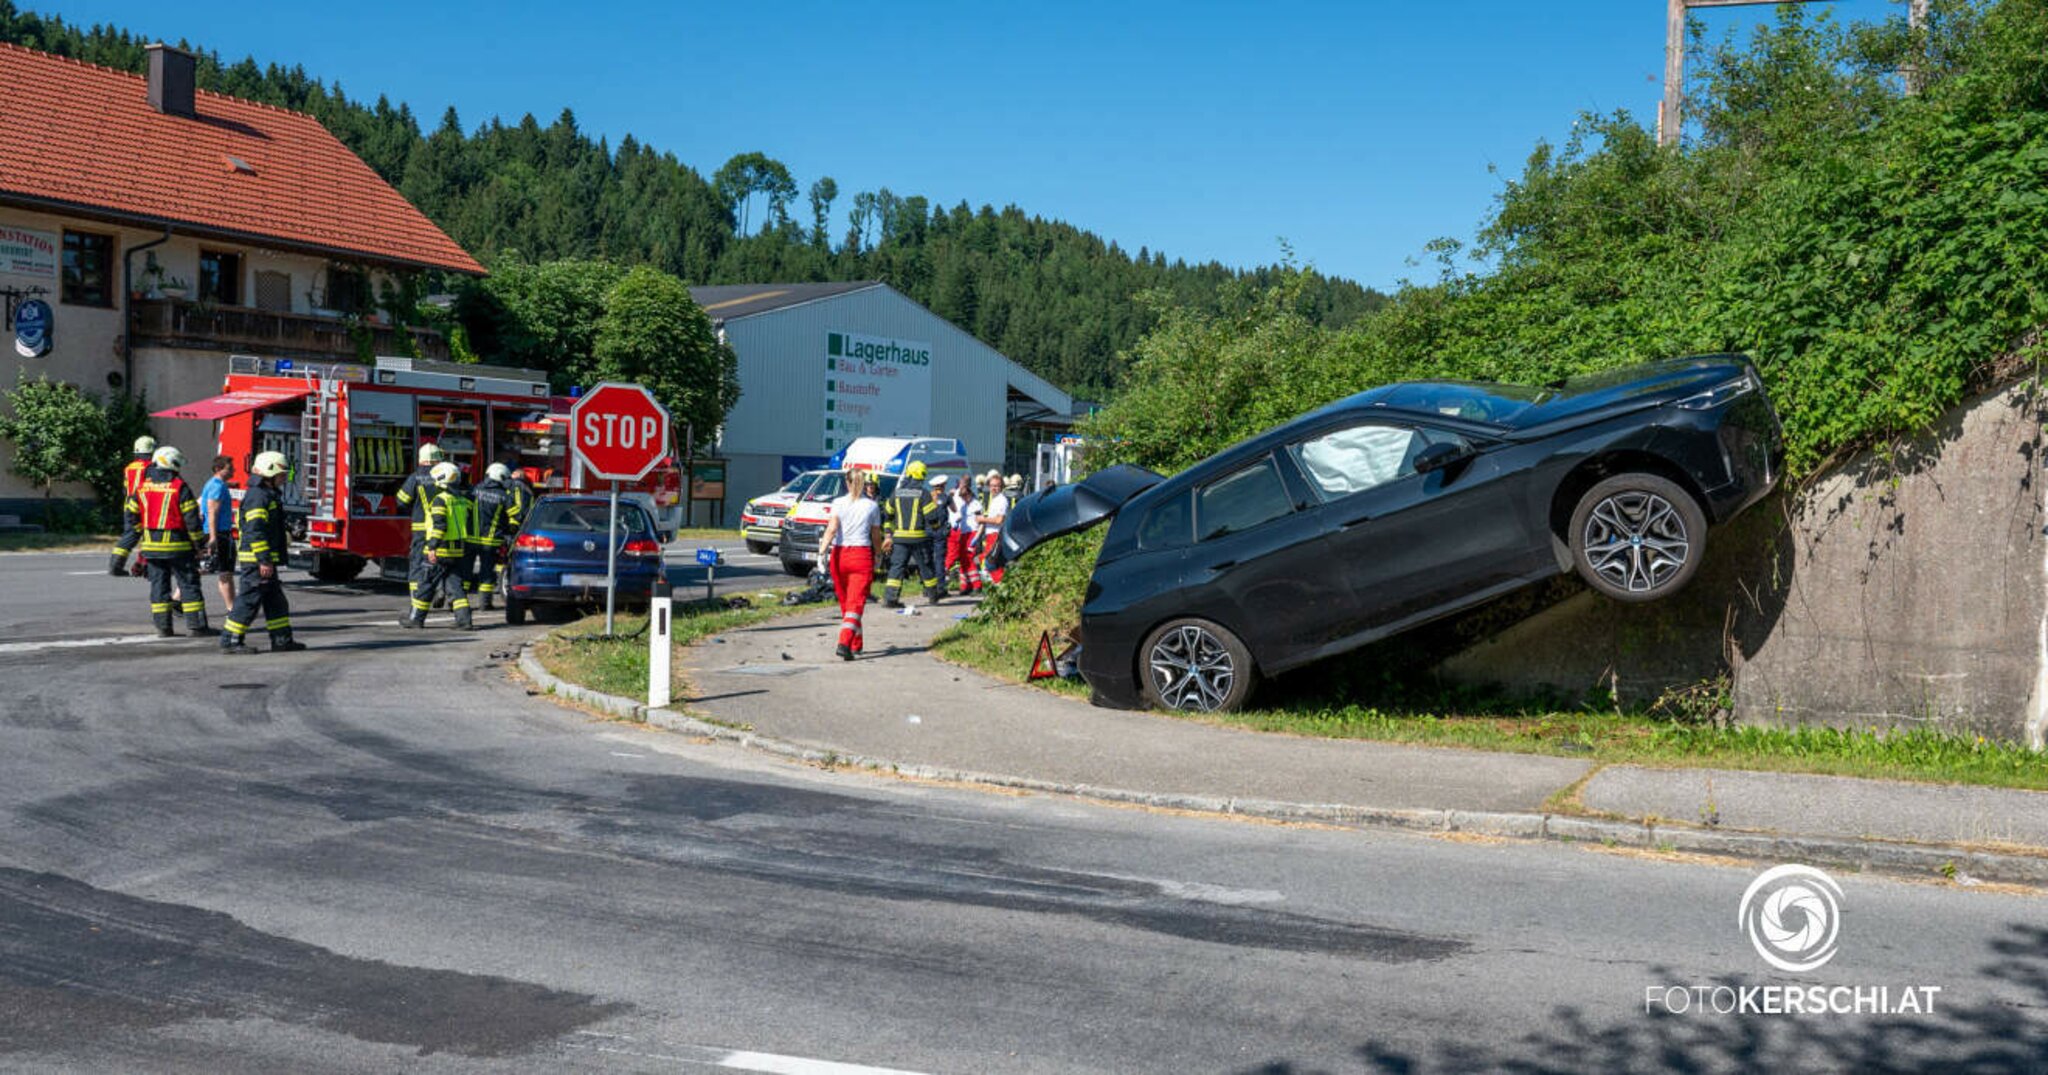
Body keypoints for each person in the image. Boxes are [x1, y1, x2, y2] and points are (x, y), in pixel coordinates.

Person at [221, 451, 305, 654]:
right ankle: (230, 641)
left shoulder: (267, 494)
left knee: (276, 602)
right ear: (270, 472)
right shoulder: (258, 497)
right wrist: (264, 560)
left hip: (264, 562)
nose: (285, 478)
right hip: (257, 562)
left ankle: (281, 640)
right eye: (282, 473)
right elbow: (255, 531)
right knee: (248, 602)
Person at [126, 446, 213, 637]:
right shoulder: (179, 486)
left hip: (151, 549)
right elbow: (192, 520)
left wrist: (145, 533)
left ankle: (164, 628)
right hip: (179, 548)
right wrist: (200, 545)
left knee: (159, 588)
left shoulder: (142, 487)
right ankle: (197, 627)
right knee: (189, 585)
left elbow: (131, 516)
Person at [402, 461, 476, 630]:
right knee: (455, 586)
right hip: (456, 550)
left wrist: (432, 547)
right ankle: (464, 621)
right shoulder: (461, 500)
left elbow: (440, 526)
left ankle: (416, 619)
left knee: (425, 584)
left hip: (441, 550)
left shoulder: (439, 500)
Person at [817, 468, 879, 660]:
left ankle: (856, 643)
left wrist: (821, 553)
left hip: (839, 555)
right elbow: (876, 536)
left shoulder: (837, 503)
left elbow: (832, 529)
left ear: (847, 482)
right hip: (861, 556)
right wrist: (878, 556)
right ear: (864, 484)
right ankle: (844, 643)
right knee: (855, 604)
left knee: (846, 603)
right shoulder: (871, 506)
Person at [880, 461, 944, 607]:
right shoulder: (924, 494)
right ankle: (933, 597)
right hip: (918, 539)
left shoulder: (896, 493)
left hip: (900, 539)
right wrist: (937, 526)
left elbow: (887, 514)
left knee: (897, 568)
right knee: (926, 567)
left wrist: (888, 533)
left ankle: (890, 599)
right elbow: (932, 518)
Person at [394, 443, 445, 610]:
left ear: (422, 459)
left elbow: (401, 500)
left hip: (421, 529)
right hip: (441, 529)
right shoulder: (444, 476)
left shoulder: (415, 478)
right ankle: (440, 589)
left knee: (417, 565)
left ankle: (417, 603)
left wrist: (414, 507)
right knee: (440, 562)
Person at [108, 435, 158, 576]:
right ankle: (143, 566)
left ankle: (116, 565)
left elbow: (125, 489)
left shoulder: (129, 467)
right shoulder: (150, 467)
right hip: (145, 506)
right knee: (149, 535)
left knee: (130, 535)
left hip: (128, 506)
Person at [470, 462, 513, 611]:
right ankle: (484, 603)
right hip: (491, 540)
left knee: (464, 571)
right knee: (487, 572)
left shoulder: (475, 490)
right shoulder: (503, 496)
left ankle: (455, 603)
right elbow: (514, 517)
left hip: (471, 539)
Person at [199, 455, 237, 612]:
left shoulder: (214, 484)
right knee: (225, 573)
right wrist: (214, 537)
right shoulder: (218, 486)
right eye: (229, 468)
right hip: (220, 533)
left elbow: (203, 508)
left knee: (204, 568)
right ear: (218, 469)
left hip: (213, 532)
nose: (233, 470)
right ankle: (232, 609)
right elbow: (212, 511)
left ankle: (176, 600)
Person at [977, 470, 1011, 588]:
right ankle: (1001, 586)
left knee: (990, 562)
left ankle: (1001, 586)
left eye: (996, 486)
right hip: (991, 534)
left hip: (996, 535)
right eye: (992, 486)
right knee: (995, 563)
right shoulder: (995, 499)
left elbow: (999, 520)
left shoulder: (1001, 500)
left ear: (1001, 486)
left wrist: (983, 520)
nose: (994, 488)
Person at [948, 476, 980, 594]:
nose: (963, 498)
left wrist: (976, 538)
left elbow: (980, 521)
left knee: (969, 558)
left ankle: (977, 585)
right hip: (964, 533)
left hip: (973, 533)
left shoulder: (975, 504)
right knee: (962, 559)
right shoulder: (963, 504)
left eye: (964, 496)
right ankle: (965, 585)